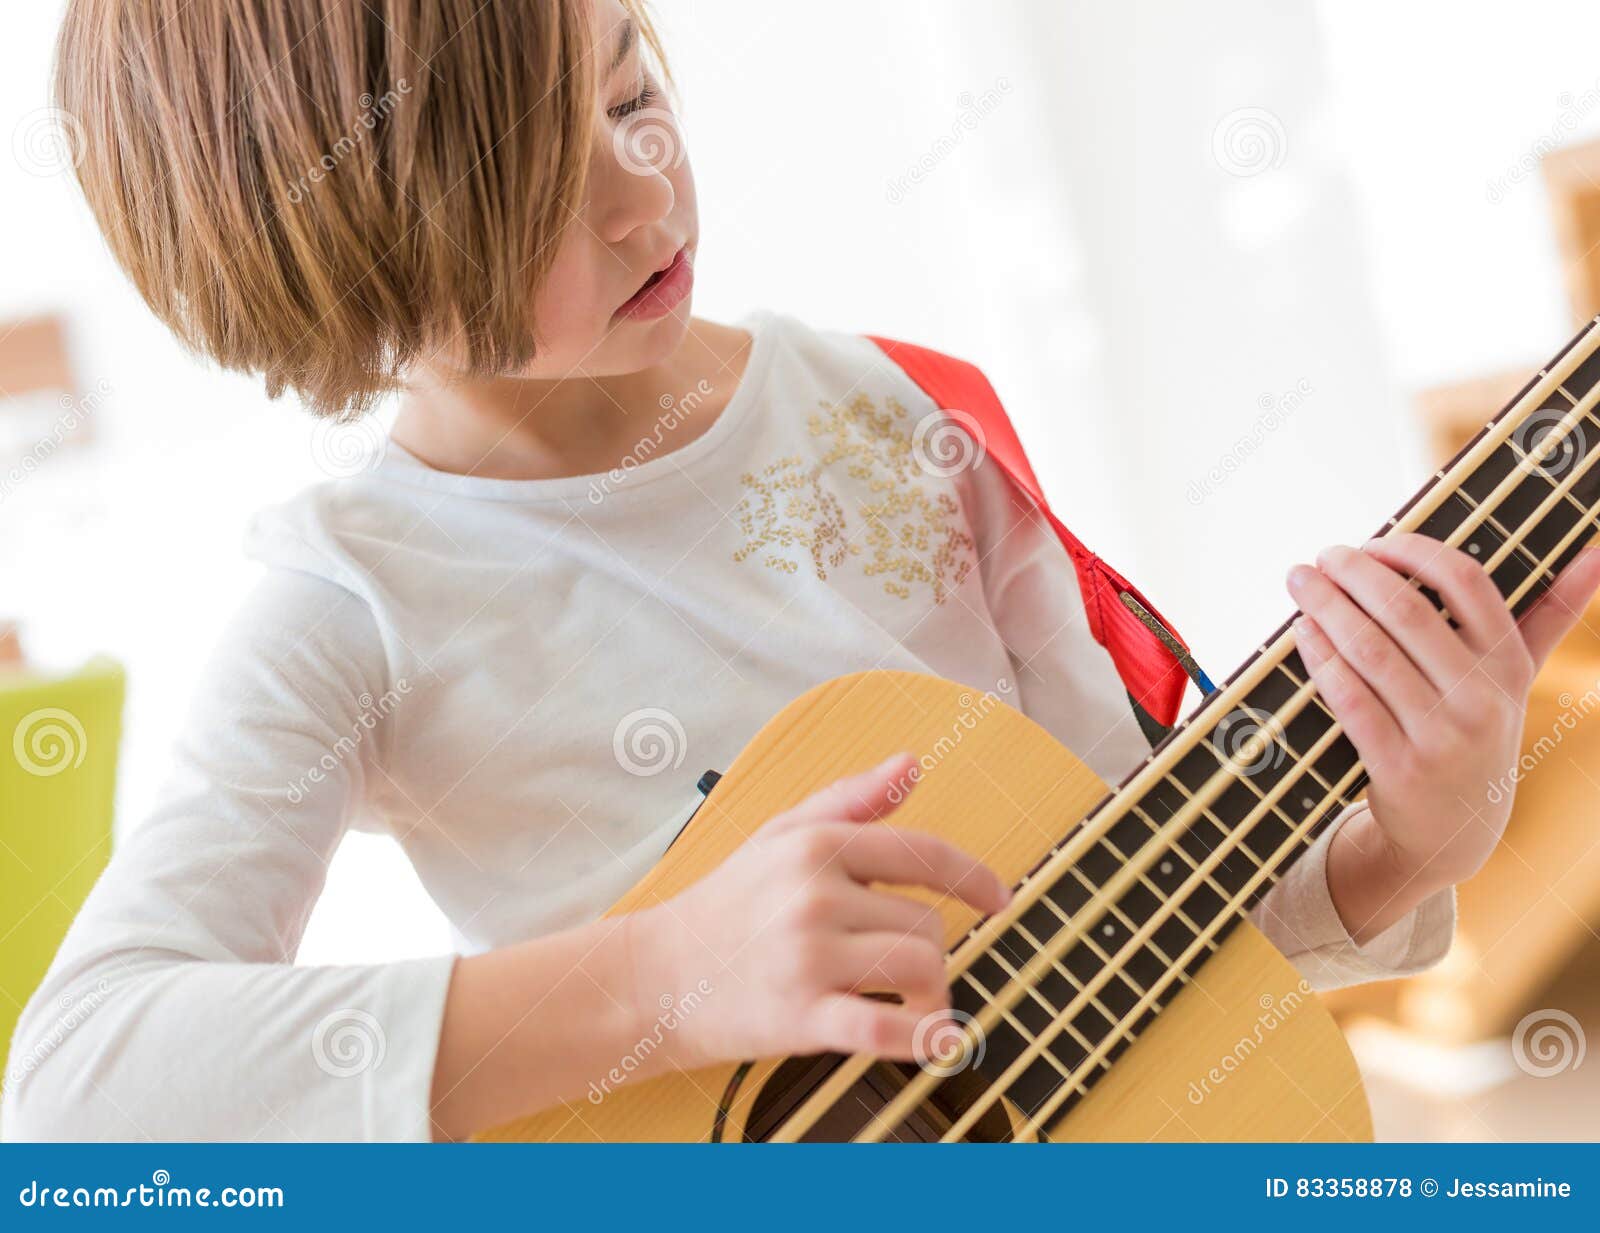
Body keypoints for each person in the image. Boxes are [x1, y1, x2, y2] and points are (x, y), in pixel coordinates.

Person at [7, 0, 1597, 1141]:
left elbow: (1156, 912)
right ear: (341, 260)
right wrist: (667, 976)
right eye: (537, 197)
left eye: (630, 98)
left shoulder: (901, 415)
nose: (643, 198)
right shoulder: (349, 607)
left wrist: (1415, 833)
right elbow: (79, 1088)